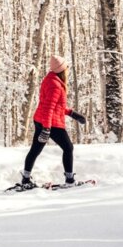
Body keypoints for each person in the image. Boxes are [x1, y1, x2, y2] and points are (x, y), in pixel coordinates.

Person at [18, 55, 87, 189]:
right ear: (62, 70)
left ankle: (26, 178)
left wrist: (73, 114)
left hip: (42, 120)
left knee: (35, 150)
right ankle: (69, 179)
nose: (67, 70)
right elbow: (49, 108)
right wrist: (47, 128)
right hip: (51, 123)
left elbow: (55, 106)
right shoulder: (55, 85)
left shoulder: (51, 80)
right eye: (66, 68)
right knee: (68, 148)